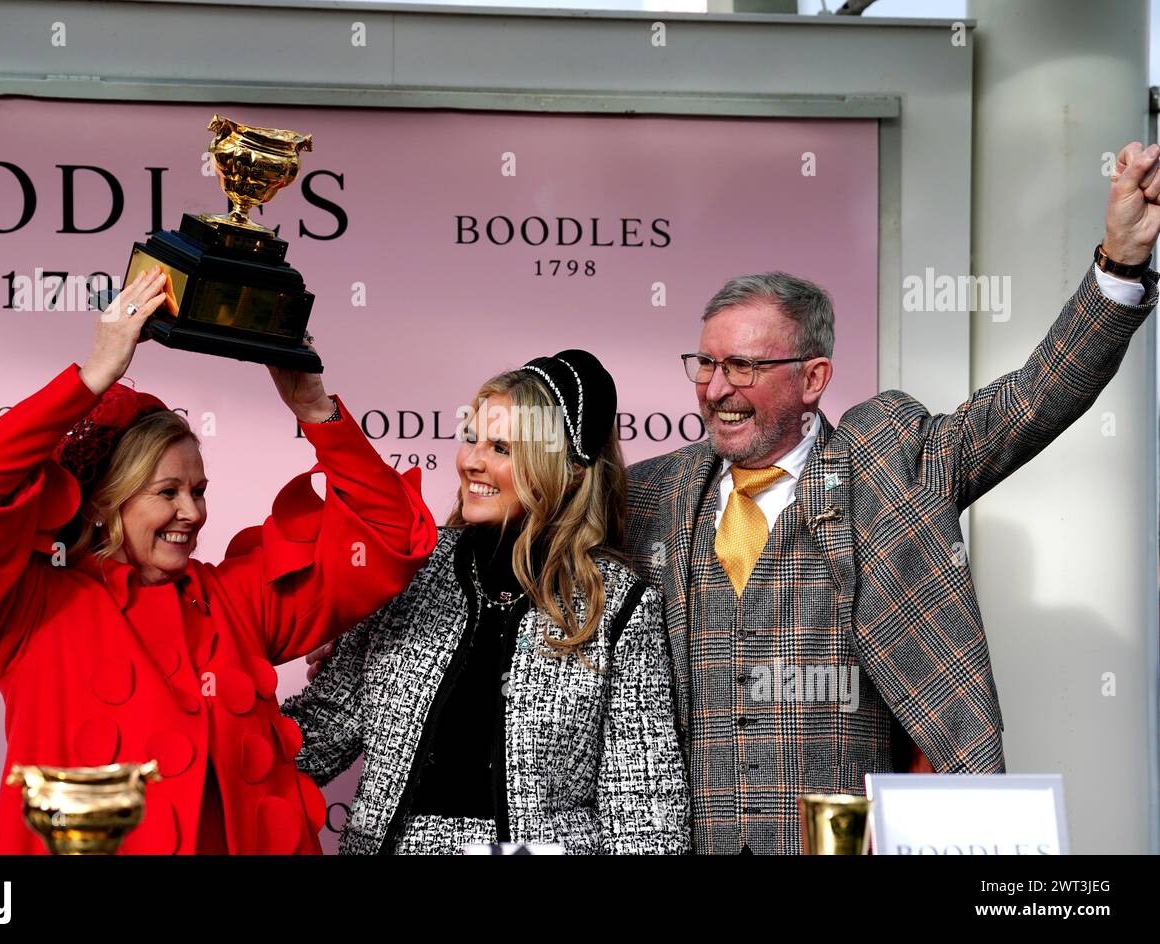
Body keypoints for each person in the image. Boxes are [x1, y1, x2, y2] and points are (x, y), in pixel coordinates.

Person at [621, 141, 1160, 854]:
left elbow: (1035, 399)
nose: (717, 388)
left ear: (813, 378)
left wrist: (1119, 266)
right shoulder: (650, 494)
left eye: (745, 366)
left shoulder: (890, 465)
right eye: (707, 364)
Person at [0, 266, 437, 854]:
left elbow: (389, 535)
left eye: (198, 491)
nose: (192, 513)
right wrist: (94, 375)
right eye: (167, 492)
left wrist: (315, 407)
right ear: (105, 503)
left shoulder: (234, 601)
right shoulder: (25, 609)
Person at [285, 351, 689, 854]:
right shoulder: (410, 569)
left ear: (572, 470)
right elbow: (318, 737)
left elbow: (645, 815)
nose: (472, 460)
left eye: (502, 447)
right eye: (472, 438)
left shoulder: (619, 607)